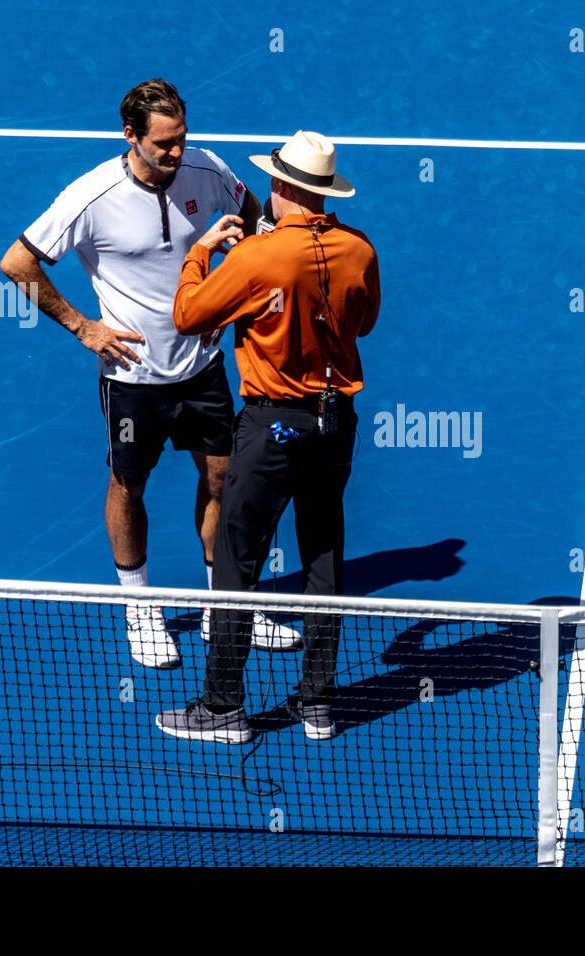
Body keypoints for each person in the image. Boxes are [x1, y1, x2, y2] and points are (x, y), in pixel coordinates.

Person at [0, 78, 298, 670]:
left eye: (181, 138)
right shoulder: (90, 197)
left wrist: (234, 294)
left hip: (204, 369)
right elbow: (17, 262)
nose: (175, 152)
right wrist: (84, 327)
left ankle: (225, 605)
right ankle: (141, 611)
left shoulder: (206, 170)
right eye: (163, 143)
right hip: (132, 379)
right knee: (128, 487)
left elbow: (255, 216)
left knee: (222, 482)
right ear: (130, 136)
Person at [155, 130, 380, 743]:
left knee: (237, 563)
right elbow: (364, 320)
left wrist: (203, 253)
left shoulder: (256, 258)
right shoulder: (359, 249)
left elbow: (187, 315)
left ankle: (223, 707)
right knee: (323, 556)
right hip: (335, 425)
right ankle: (318, 704)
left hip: (273, 425)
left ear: (282, 188)